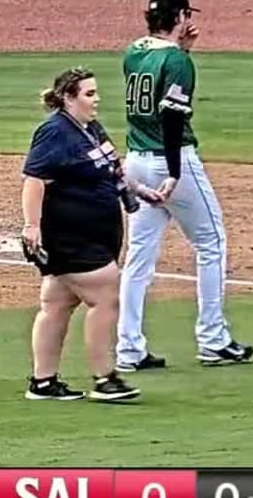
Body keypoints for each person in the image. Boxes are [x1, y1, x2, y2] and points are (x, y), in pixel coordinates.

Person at [115, 0, 253, 373]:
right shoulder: (176, 62)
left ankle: (128, 349)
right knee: (211, 242)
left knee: (139, 257)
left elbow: (157, 89)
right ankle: (213, 340)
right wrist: (176, 172)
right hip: (170, 160)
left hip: (136, 161)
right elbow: (174, 117)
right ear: (179, 17)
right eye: (185, 14)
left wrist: (184, 49)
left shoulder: (134, 51)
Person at [21, 67, 164, 403]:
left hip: (92, 235)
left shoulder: (89, 129)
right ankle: (105, 378)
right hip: (71, 237)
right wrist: (31, 225)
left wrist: (141, 191)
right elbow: (34, 180)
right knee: (105, 298)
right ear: (68, 97)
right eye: (89, 93)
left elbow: (111, 169)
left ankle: (43, 383)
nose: (96, 99)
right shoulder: (55, 132)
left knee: (56, 303)